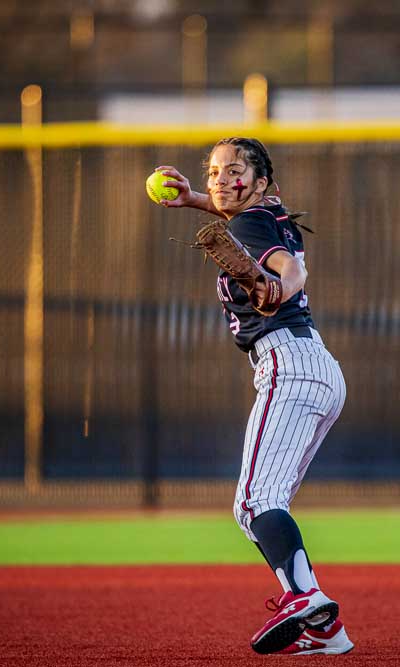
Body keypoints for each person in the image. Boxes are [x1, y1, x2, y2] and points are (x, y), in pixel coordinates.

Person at [156, 137, 353, 656]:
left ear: (262, 182)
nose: (221, 179)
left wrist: (280, 286)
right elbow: (255, 223)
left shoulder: (248, 225)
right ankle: (326, 631)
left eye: (234, 171)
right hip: (317, 367)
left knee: (254, 501)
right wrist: (196, 199)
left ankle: (305, 596)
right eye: (215, 171)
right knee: (269, 501)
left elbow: (292, 271)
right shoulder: (265, 214)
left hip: (287, 364)